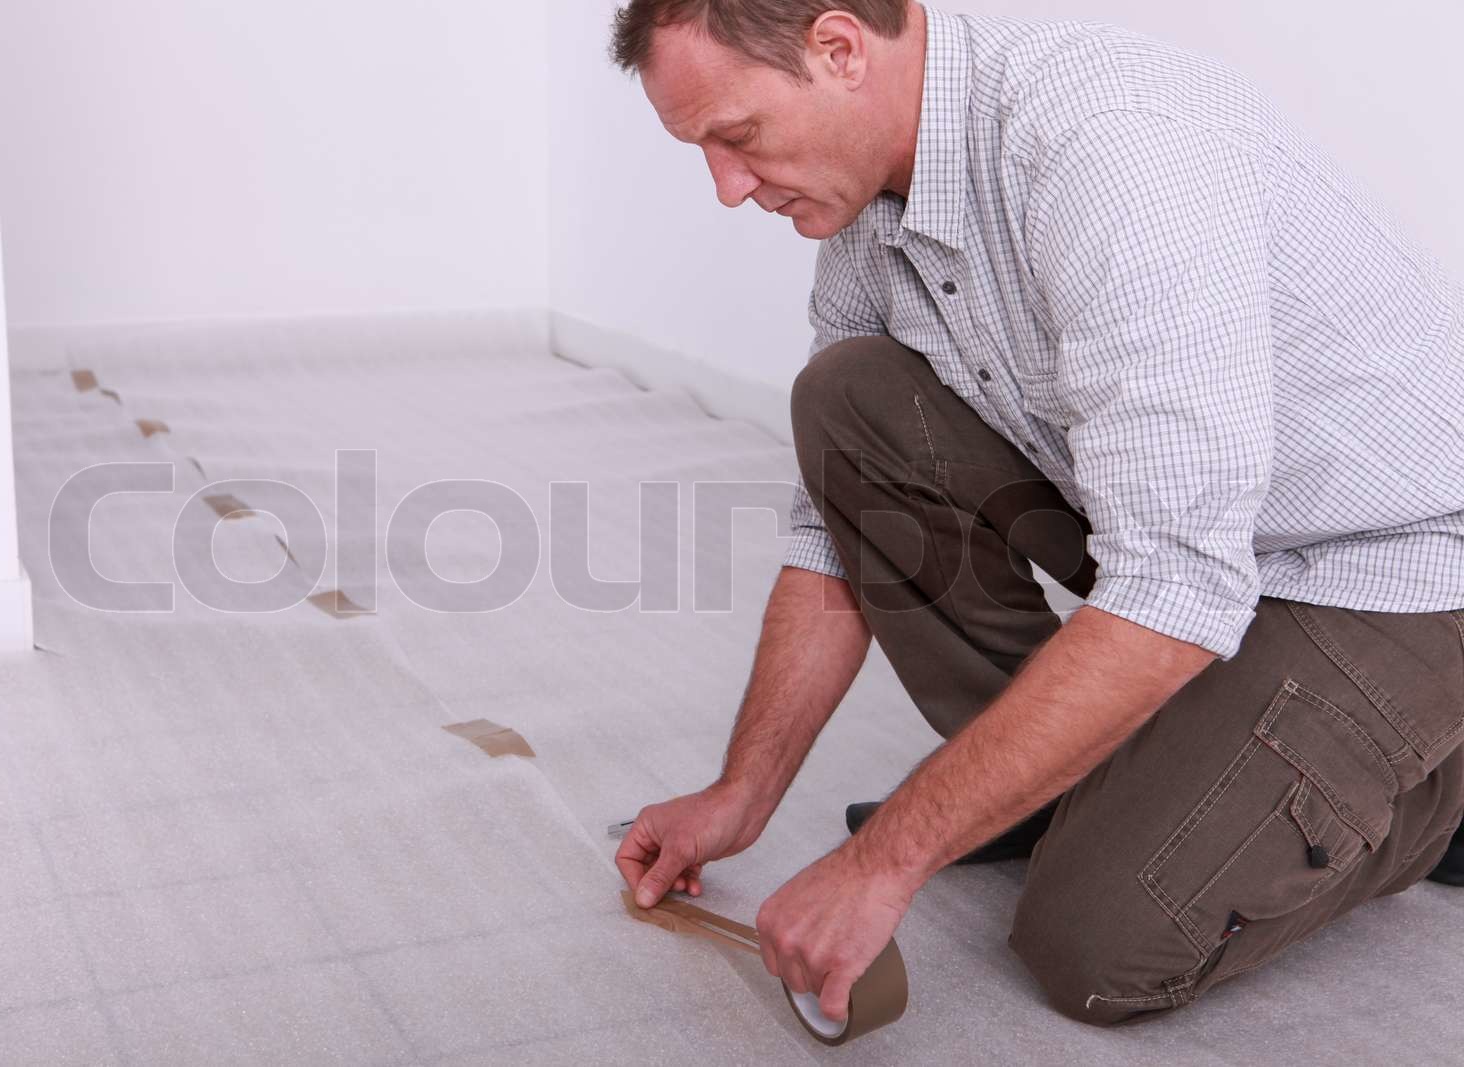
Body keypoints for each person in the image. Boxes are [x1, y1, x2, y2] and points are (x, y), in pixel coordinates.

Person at [608, 0, 1464, 1027]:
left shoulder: (1109, 146)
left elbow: (1175, 577)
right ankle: (1099, 784)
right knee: (848, 400)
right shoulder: (876, 202)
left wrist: (883, 861)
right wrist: (741, 792)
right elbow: (832, 527)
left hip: (1390, 569)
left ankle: (1429, 785)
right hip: (1202, 552)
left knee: (1096, 942)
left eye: (735, 137)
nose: (726, 186)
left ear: (838, 49)